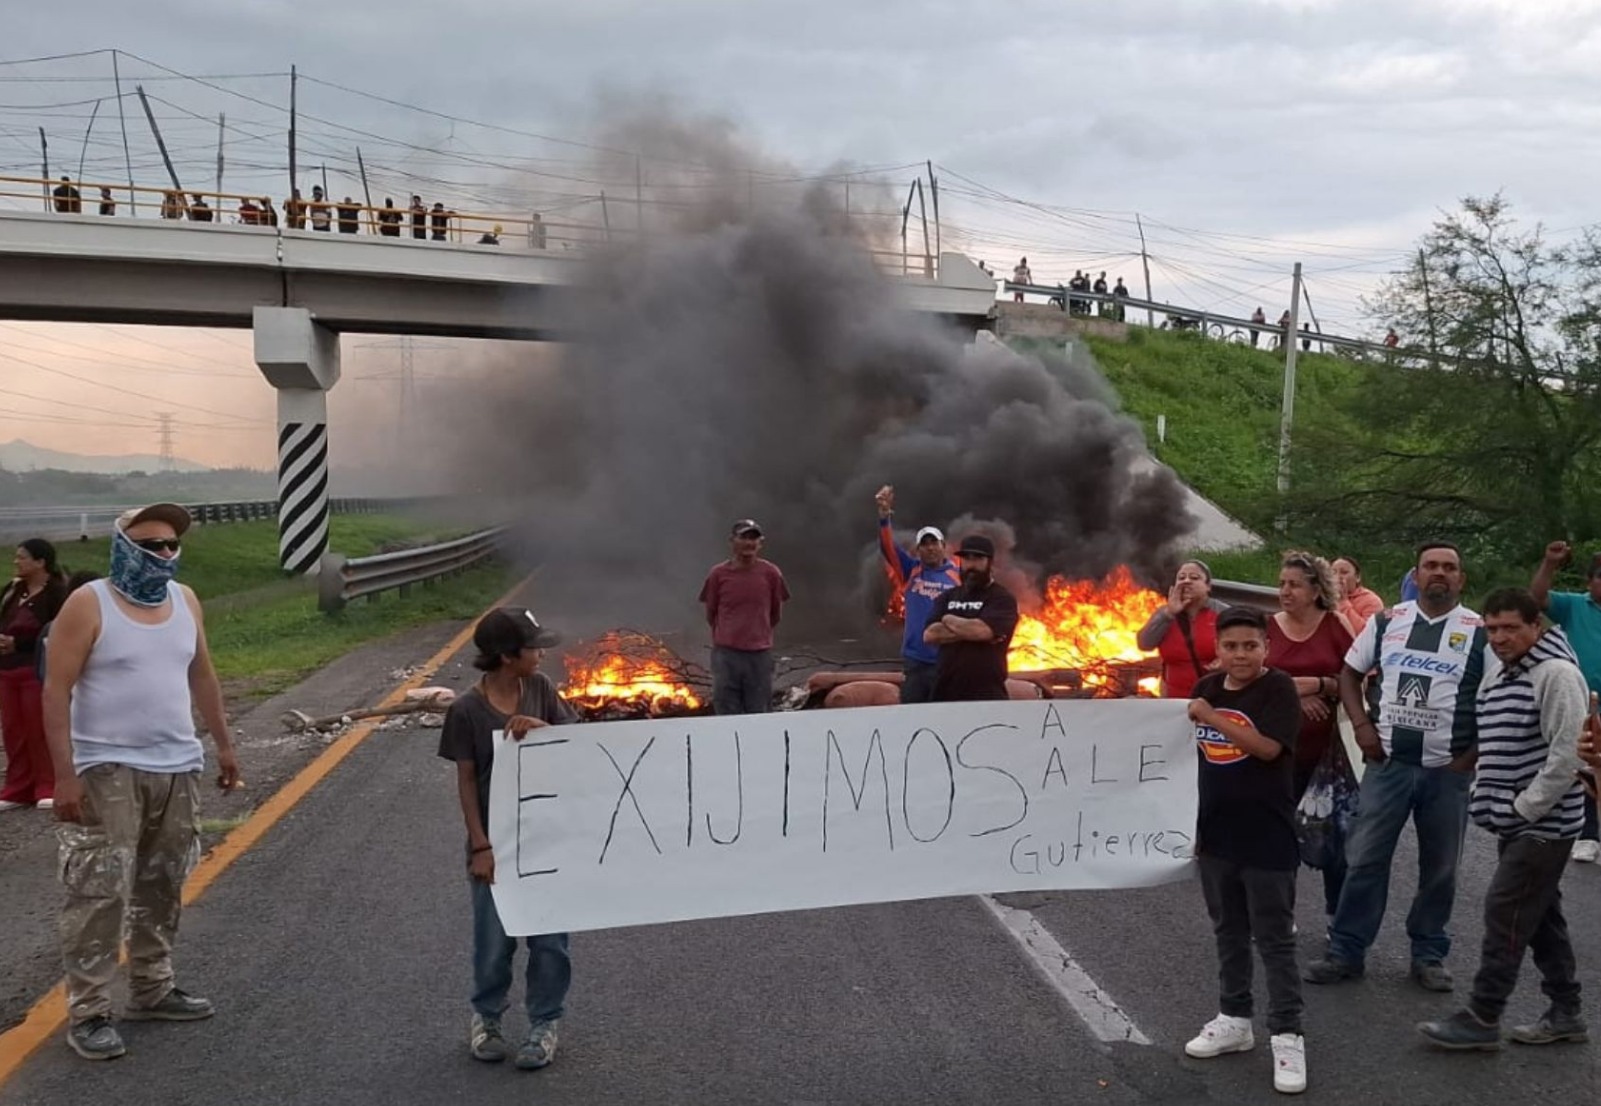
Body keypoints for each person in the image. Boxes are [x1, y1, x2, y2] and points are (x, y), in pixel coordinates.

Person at [42, 504, 240, 1061]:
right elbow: (55, 692)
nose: (164, 554)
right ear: (124, 545)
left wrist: (223, 744)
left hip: (177, 766)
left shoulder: (185, 601)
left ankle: (152, 987)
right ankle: (90, 1011)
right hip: (107, 770)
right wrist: (65, 776)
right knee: (99, 893)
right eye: (151, 544)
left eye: (172, 544)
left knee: (162, 884)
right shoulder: (89, 603)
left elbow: (201, 673)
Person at [1305, 542, 1485, 992]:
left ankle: (1428, 954)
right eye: (1431, 566)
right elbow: (1349, 673)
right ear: (1417, 574)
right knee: (1364, 859)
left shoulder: (1478, 631)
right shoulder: (1389, 622)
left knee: (1441, 867)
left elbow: (1495, 696)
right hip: (1388, 765)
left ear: (1460, 579)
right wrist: (1362, 726)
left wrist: (1473, 753)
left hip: (1447, 771)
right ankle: (1347, 950)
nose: (1439, 573)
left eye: (1449, 567)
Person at [1417, 588, 1588, 1050]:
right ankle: (1566, 1011)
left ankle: (1483, 1016)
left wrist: (1523, 807)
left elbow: (1569, 755)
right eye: (1492, 629)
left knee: (1505, 911)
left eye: (1511, 627)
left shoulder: (1556, 674)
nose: (1500, 637)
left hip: (1543, 825)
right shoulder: (1505, 674)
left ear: (1537, 626)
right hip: (1515, 823)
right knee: (1541, 917)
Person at [437, 607, 575, 1069]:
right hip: (496, 846)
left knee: (551, 941)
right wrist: (480, 846)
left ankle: (544, 1023)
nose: (541, 653)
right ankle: (487, 1018)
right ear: (506, 655)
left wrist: (542, 728)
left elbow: (575, 746)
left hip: (547, 842)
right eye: (534, 647)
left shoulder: (539, 689)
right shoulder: (466, 711)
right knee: (495, 942)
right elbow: (466, 782)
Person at [1184, 605, 1307, 1095]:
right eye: (1231, 646)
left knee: (1274, 939)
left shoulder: (1276, 689)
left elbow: (1267, 749)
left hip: (1267, 837)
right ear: (1218, 648)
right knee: (1228, 931)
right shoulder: (1205, 690)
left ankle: (1287, 1034)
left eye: (1250, 645)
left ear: (1266, 648)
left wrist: (1210, 717)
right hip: (1217, 836)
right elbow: (1185, 763)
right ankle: (1234, 1017)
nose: (1240, 655)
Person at [1267, 552, 1355, 920]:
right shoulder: (1268, 628)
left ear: (1316, 590)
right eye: (1282, 583)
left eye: (1294, 584)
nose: (1285, 591)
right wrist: (1296, 698)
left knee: (1336, 839)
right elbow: (1255, 684)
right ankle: (1279, 918)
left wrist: (1320, 684)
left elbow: (1358, 678)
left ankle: (1338, 920)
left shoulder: (1335, 625)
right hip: (1278, 752)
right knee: (1278, 839)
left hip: (1329, 757)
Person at [1529, 540, 1601, 863]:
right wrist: (1549, 564)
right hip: (1582, 703)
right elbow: (1537, 599)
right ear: (1589, 581)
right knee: (1584, 766)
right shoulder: (1574, 606)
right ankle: (1588, 835)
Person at [875, 485, 960, 704]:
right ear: (918, 549)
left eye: (935, 543)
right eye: (925, 544)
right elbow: (888, 548)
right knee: (913, 715)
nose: (930, 548)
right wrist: (884, 517)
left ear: (944, 546)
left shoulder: (958, 575)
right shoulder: (910, 570)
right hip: (916, 661)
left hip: (948, 660)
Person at [0, 540, 68, 812]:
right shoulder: (12, 591)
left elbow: (59, 632)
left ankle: (47, 784)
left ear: (40, 562)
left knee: (38, 728)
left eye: (22, 558)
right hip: (7, 669)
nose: (17, 562)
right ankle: (18, 788)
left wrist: (21, 644)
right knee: (13, 730)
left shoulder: (57, 594)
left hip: (37, 669)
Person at [698, 520, 790, 715]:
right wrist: (728, 636)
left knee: (759, 713)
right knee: (726, 713)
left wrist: (757, 636)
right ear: (732, 541)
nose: (749, 543)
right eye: (744, 537)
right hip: (726, 656)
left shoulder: (771, 573)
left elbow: (775, 614)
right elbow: (711, 613)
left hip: (759, 657)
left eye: (754, 538)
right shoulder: (718, 574)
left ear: (761, 543)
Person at [923, 534, 1020, 702]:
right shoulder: (948, 596)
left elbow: (982, 631)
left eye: (978, 559)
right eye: (967, 559)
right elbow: (930, 634)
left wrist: (948, 619)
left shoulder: (1001, 598)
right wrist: (969, 628)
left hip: (987, 692)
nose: (971, 565)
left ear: (990, 562)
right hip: (944, 692)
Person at [1136, 560, 1227, 699]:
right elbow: (1144, 644)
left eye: (1194, 578)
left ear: (1208, 586)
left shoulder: (1223, 613)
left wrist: (1227, 661)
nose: (1186, 581)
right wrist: (1168, 614)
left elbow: (1245, 648)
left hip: (1216, 697)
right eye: (1181, 578)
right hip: (1173, 702)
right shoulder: (1165, 613)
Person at [1332, 556, 1384, 636]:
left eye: (1344, 572)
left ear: (1357, 577)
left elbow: (1366, 634)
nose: (1338, 577)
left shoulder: (1371, 601)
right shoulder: (1321, 598)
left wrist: (1343, 602)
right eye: (1333, 572)